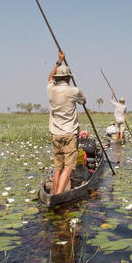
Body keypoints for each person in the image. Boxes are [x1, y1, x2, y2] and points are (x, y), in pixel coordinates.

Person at [47, 51, 86, 194]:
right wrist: (81, 95)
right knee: (68, 167)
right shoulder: (74, 91)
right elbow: (83, 101)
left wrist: (59, 61)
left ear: (57, 78)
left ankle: (54, 193)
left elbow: (49, 78)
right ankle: (58, 195)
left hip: (55, 134)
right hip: (69, 134)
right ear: (69, 78)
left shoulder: (50, 90)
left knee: (58, 167)